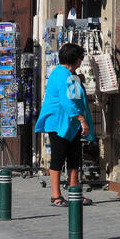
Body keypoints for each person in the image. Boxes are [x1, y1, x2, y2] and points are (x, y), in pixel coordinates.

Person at [34, 42, 96, 206]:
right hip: (59, 122)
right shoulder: (62, 75)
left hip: (70, 124)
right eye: (81, 58)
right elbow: (68, 101)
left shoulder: (69, 74)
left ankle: (74, 191)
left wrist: (79, 80)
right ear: (75, 59)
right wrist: (82, 119)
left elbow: (75, 95)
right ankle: (56, 195)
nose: (81, 61)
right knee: (59, 157)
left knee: (74, 157)